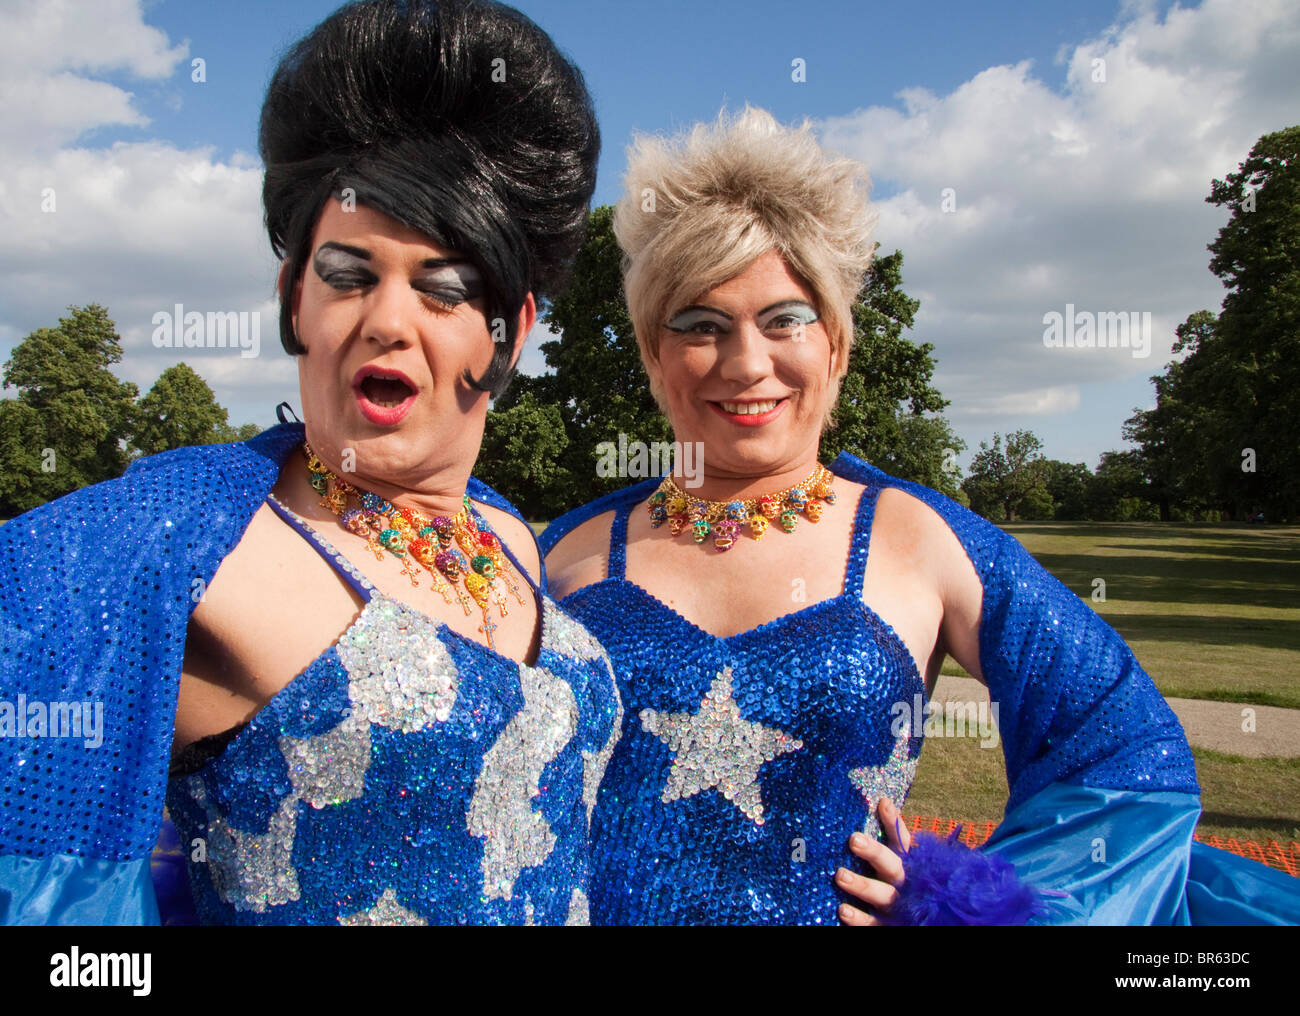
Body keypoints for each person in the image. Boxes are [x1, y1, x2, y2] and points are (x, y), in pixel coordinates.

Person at [540, 107, 1300, 925]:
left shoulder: (918, 537)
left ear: (835, 343)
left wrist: (969, 906)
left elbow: (1123, 750)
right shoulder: (559, 554)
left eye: (784, 319)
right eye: (700, 325)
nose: (746, 361)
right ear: (655, 351)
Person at [0, 0, 619, 926]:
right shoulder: (178, 545)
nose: (388, 320)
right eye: (348, 274)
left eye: (446, 289)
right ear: (295, 299)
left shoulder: (506, 537)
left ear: (512, 331)